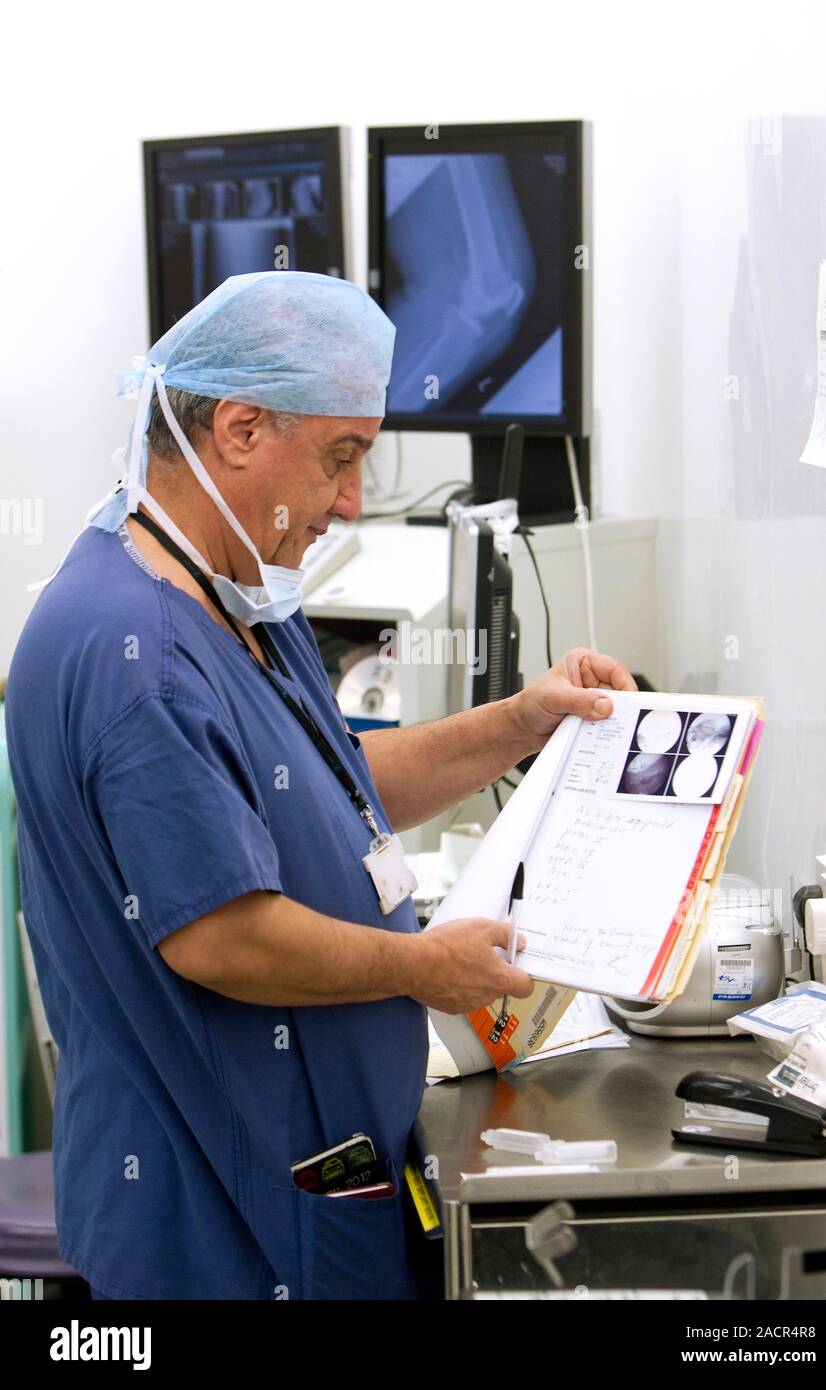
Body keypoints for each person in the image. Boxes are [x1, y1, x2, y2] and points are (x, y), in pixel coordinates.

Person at [5, 271, 636, 1300]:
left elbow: (325, 786)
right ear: (241, 428)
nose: (350, 501)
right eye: (341, 457)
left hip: (307, 1181)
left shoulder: (237, 590)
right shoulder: (140, 659)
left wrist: (520, 721)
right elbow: (221, 935)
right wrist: (420, 966)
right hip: (211, 1214)